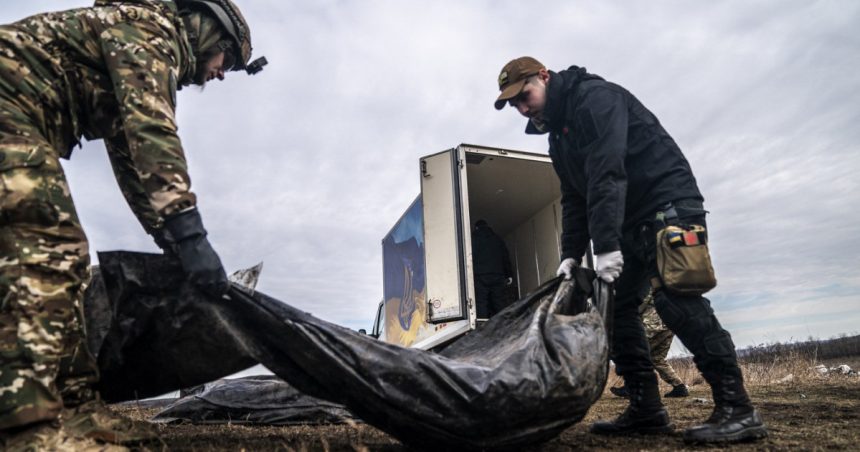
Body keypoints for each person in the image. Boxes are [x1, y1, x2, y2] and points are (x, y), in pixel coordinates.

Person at [0, 0, 265, 448]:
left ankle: (77, 412)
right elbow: (152, 133)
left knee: (66, 270)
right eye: (226, 58)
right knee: (48, 251)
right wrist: (190, 233)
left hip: (21, 116)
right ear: (204, 29)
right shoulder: (148, 30)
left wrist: (172, 242)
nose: (221, 72)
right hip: (10, 104)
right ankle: (29, 428)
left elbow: (132, 163)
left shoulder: (139, 48)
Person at [494, 56, 766, 443]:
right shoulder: (559, 137)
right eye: (514, 105)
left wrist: (604, 246)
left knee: (676, 299)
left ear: (544, 76)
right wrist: (570, 255)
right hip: (626, 218)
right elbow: (574, 196)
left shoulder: (596, 99)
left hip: (666, 204)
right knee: (615, 309)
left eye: (525, 95)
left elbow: (608, 171)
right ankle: (646, 409)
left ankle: (738, 408)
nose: (522, 107)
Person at [611, 289, 689, 399]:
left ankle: (631, 388)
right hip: (669, 325)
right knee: (657, 359)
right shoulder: (668, 284)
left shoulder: (648, 282)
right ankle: (680, 387)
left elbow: (641, 303)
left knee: (635, 351)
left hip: (653, 323)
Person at [471, 220, 514, 318]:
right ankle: (503, 322)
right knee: (499, 301)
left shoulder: (473, 239)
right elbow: (505, 257)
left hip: (480, 275)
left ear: (476, 227)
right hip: (497, 275)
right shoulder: (498, 239)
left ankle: (482, 325)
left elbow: (470, 257)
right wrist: (509, 274)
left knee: (481, 301)